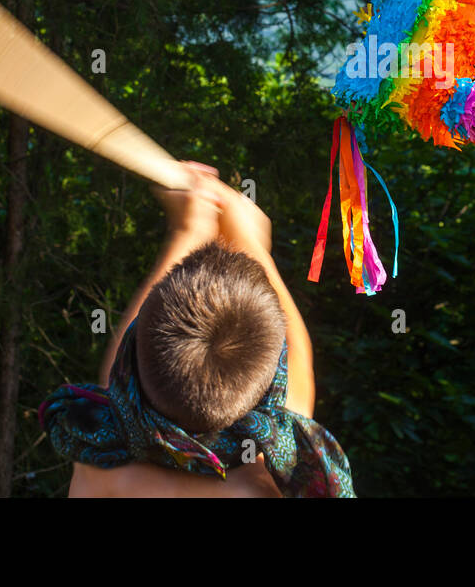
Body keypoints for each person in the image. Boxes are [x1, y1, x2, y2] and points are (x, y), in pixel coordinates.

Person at [40, 161, 354, 497]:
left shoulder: (104, 474)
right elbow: (296, 358)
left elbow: (118, 388)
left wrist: (188, 228)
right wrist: (250, 239)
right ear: (272, 379)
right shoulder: (271, 479)